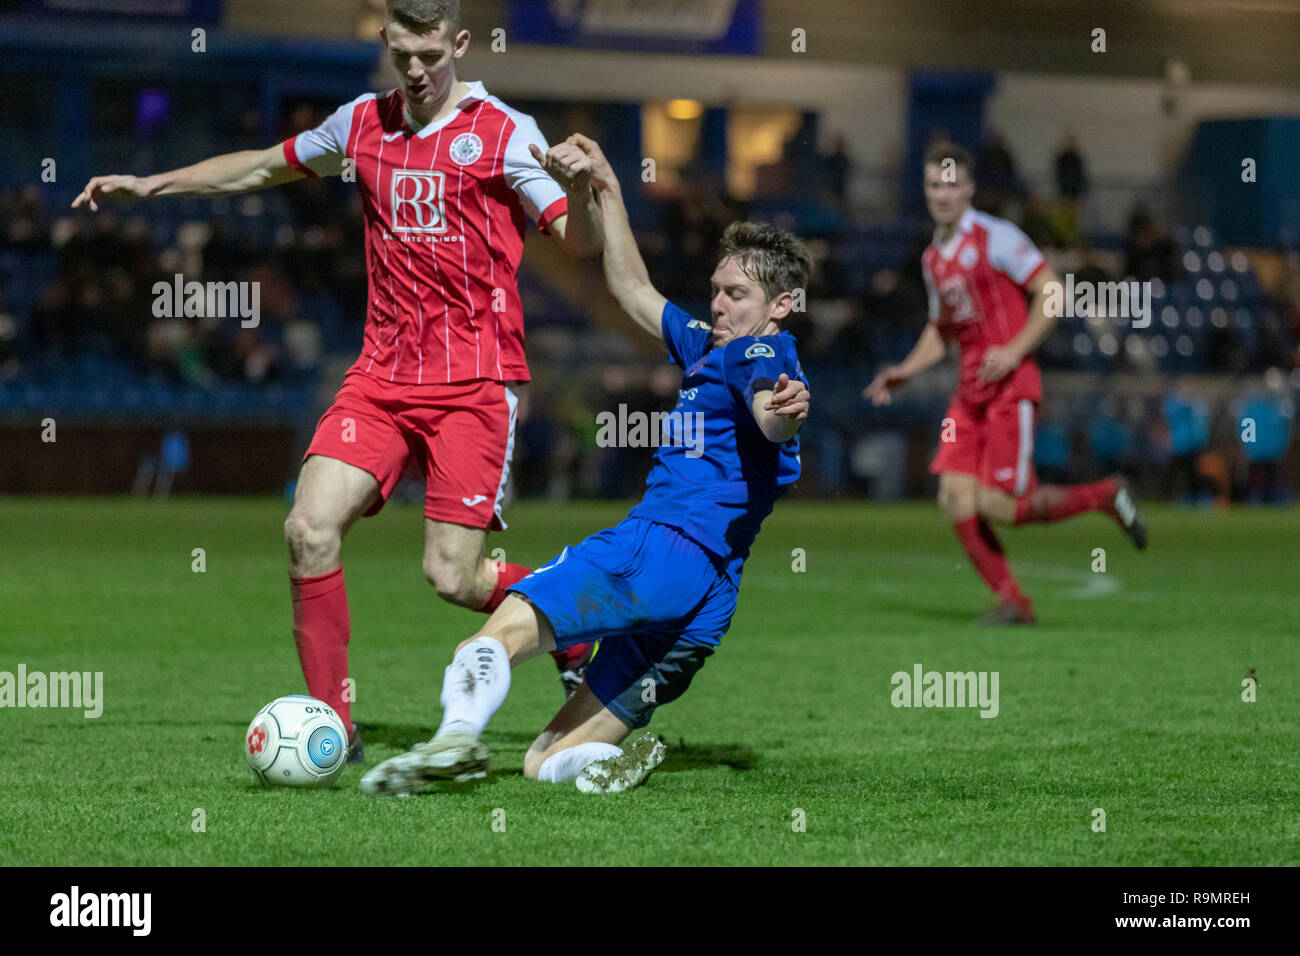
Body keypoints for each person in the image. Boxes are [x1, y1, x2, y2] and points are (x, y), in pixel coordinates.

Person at [70, 0, 604, 758]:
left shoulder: (505, 132)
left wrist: (581, 188)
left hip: (473, 383)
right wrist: (154, 185)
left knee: (452, 579)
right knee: (307, 528)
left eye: (428, 55)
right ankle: (334, 727)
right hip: (381, 378)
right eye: (401, 55)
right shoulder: (361, 124)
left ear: (457, 43)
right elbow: (260, 164)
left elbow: (577, 242)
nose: (415, 72)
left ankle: (570, 617)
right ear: (386, 44)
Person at [360, 133, 813, 795]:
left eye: (736, 294)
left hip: (659, 550)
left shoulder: (760, 357)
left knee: (496, 637)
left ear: (780, 307)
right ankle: (605, 765)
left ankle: (452, 742)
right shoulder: (707, 348)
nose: (717, 303)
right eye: (716, 289)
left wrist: (784, 414)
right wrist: (608, 186)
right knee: (543, 763)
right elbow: (631, 286)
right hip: (710, 602)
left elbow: (770, 413)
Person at [863, 143, 1146, 625]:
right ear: (926, 190)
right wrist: (905, 370)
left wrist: (1014, 350)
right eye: (935, 184)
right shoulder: (934, 258)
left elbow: (1052, 290)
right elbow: (942, 329)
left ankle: (1105, 495)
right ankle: (1014, 601)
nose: (944, 193)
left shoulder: (996, 237)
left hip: (1010, 389)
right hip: (968, 395)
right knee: (954, 497)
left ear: (970, 188)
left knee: (1000, 505)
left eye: (953, 184)